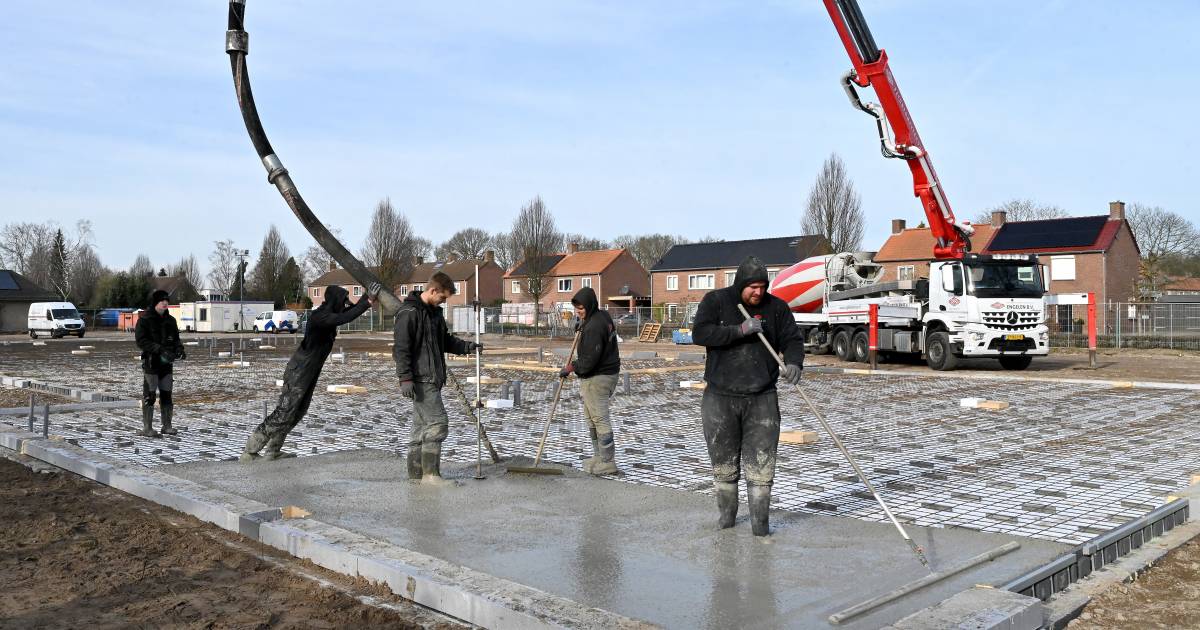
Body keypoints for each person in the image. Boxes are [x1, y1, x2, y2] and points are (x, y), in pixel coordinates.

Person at [692, 256, 804, 536]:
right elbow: (700, 333)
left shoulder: (777, 308)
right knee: (724, 463)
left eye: (762, 287)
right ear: (741, 284)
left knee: (762, 467)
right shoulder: (716, 301)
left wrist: (794, 362)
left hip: (761, 398)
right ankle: (727, 519)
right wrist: (738, 330)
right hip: (720, 397)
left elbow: (792, 339)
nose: (758, 292)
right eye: (752, 287)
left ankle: (760, 526)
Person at [242, 283, 376, 461]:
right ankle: (250, 451)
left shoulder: (329, 314)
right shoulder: (319, 316)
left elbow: (345, 313)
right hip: (299, 370)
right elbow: (344, 318)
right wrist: (367, 301)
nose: (344, 305)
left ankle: (273, 450)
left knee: (297, 411)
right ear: (335, 301)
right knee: (285, 411)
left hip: (310, 371)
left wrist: (367, 297)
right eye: (343, 301)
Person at [393, 272, 482, 485]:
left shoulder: (434, 314)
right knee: (437, 423)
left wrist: (467, 347)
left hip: (432, 378)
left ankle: (416, 474)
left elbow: (445, 341)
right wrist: (405, 378)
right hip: (421, 379)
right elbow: (401, 349)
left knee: (421, 427)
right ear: (433, 290)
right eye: (443, 297)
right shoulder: (409, 313)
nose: (444, 301)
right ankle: (431, 476)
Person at [558, 286, 621, 475]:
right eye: (577, 309)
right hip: (605, 373)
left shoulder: (594, 326)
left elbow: (589, 361)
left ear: (590, 305)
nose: (579, 312)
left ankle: (608, 461)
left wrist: (571, 367)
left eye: (582, 308)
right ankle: (598, 456)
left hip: (598, 376)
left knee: (599, 418)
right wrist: (582, 324)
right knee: (591, 418)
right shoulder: (602, 316)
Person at [134, 290, 186, 438]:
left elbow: (176, 339)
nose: (165, 303)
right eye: (162, 300)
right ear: (155, 303)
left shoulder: (171, 320)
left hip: (167, 364)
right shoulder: (145, 320)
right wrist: (159, 349)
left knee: (167, 394)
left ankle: (167, 426)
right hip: (151, 362)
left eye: (166, 300)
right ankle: (147, 428)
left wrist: (180, 349)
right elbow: (141, 341)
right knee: (150, 395)